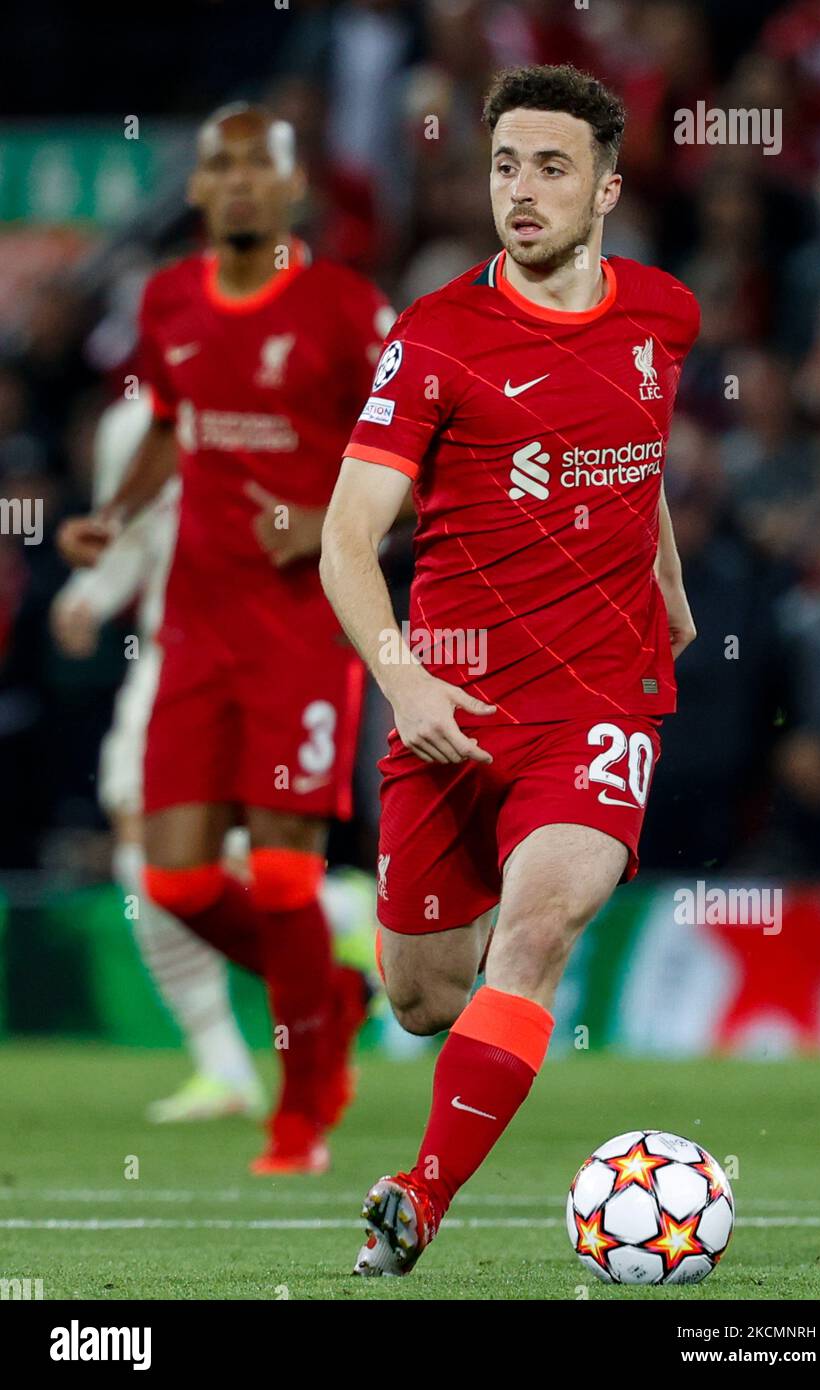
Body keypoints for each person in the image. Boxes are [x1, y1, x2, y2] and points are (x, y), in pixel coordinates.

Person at [320, 63, 700, 1274]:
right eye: (502, 165)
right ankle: (489, 1030)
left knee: (533, 938)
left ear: (605, 191)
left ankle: (415, 1201)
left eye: (549, 167)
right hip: (448, 706)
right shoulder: (432, 338)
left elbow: (630, 464)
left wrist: (669, 583)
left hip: (598, 699)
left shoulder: (664, 316)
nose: (521, 191)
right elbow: (342, 539)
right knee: (424, 997)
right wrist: (405, 681)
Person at [58, 103, 392, 1174]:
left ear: (292, 188)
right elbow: (169, 419)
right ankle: (332, 990)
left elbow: (415, 451)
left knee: (287, 882)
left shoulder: (344, 310)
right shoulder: (167, 302)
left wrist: (323, 524)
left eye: (262, 169)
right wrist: (117, 511)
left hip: (299, 631)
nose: (241, 185)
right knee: (175, 883)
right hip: (194, 635)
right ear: (198, 190)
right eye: (222, 169)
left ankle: (302, 1112)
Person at [52, 395, 264, 1124]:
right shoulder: (132, 424)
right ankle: (224, 1065)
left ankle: (348, 921)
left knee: (220, 856)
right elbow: (136, 540)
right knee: (157, 856)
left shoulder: (289, 389)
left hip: (269, 659)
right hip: (169, 658)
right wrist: (91, 593)